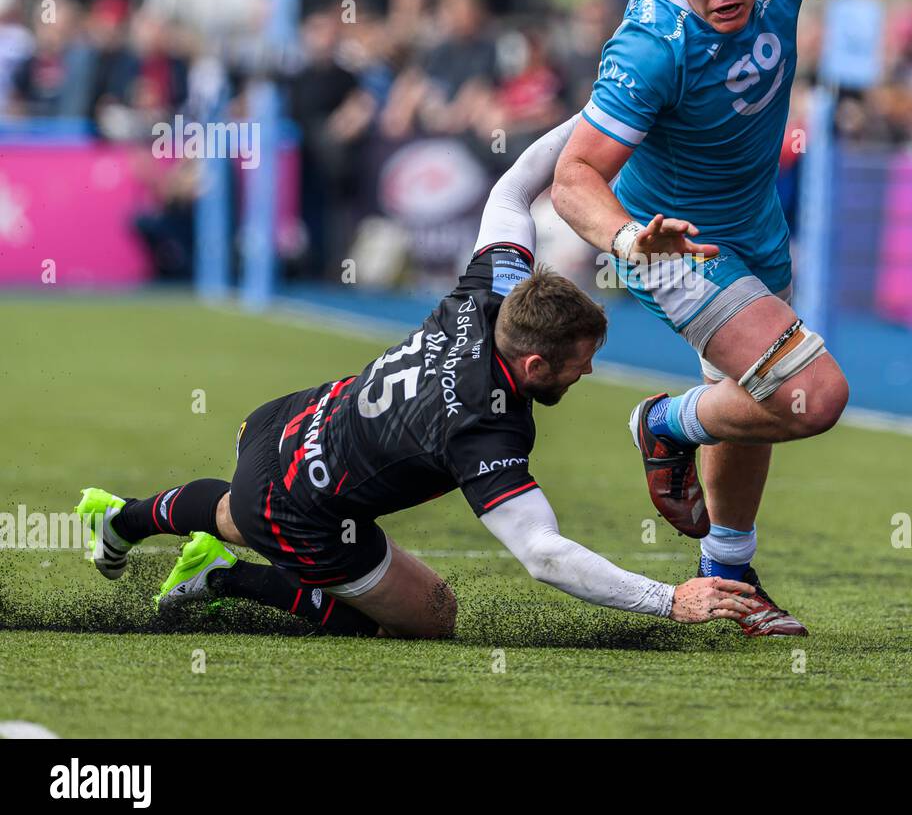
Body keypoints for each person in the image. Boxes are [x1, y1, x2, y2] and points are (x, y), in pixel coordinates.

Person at [551, 0, 912, 635]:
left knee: (751, 396)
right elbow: (573, 177)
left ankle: (730, 577)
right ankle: (666, 424)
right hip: (673, 243)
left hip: (754, 228)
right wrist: (625, 240)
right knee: (813, 394)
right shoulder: (650, 44)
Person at [74, 116, 759, 637]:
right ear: (532, 365)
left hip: (281, 422)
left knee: (243, 507)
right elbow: (544, 555)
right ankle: (229, 577)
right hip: (305, 512)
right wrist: (668, 600)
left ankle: (125, 518)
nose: (589, 370)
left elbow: (516, 183)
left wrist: (611, 114)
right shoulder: (483, 424)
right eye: (579, 363)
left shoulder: (488, 293)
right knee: (433, 616)